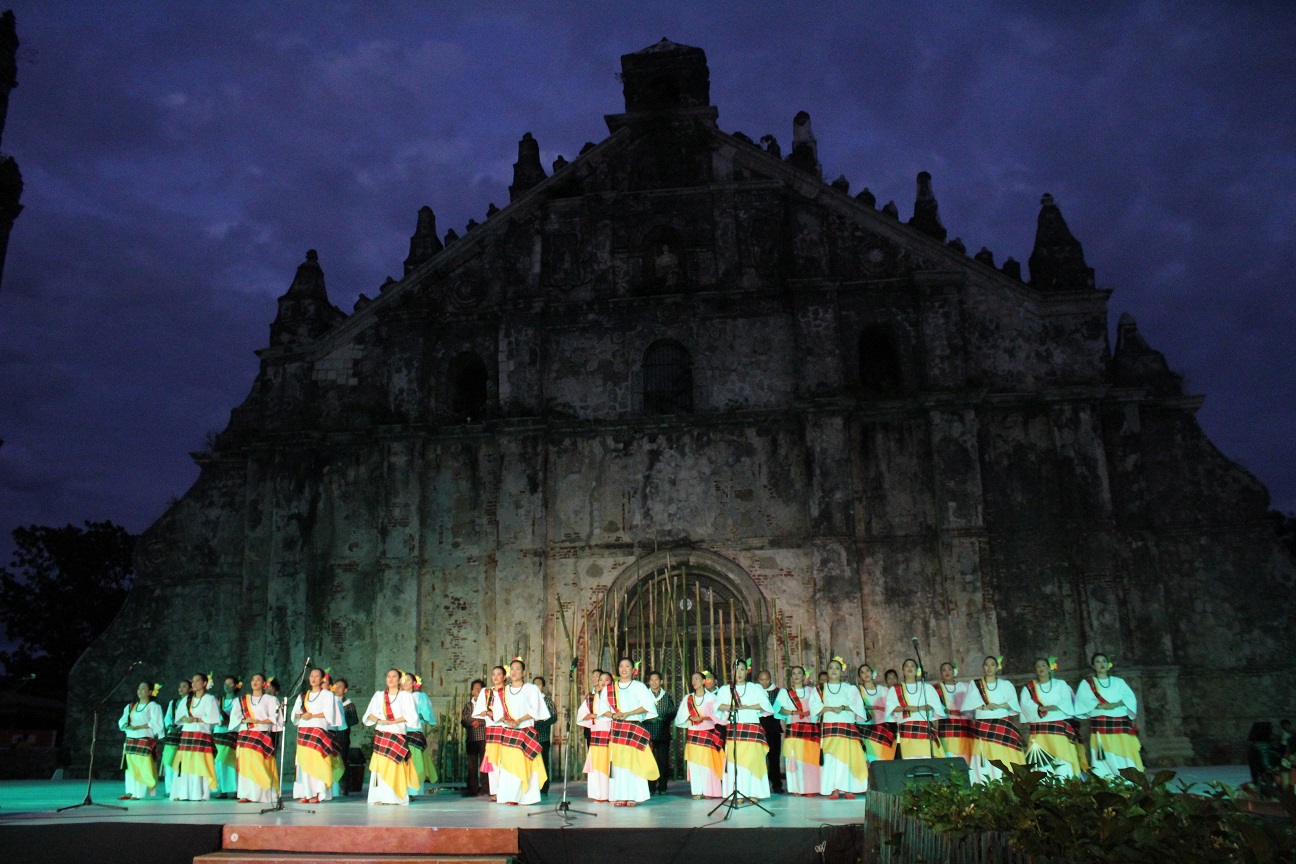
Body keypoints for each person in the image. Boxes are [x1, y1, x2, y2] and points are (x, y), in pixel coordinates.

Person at [598, 658, 659, 806]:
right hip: (618, 729)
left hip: (633, 728)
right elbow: (602, 709)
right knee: (619, 765)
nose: (623, 668)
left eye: (627, 666)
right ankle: (621, 796)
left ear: (633, 670)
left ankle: (634, 796)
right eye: (621, 666)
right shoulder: (610, 688)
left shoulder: (639, 686)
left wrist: (629, 713)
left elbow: (647, 706)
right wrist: (614, 715)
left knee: (634, 763)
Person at [1073, 652, 1143, 779]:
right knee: (1103, 754)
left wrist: (1115, 704)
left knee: (1124, 751)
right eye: (1098, 662)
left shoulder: (1119, 682)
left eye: (1104, 661)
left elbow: (1130, 698)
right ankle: (1105, 779)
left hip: (1120, 724)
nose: (1101, 664)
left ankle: (1129, 780)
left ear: (1108, 664)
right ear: (1093, 666)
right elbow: (1082, 702)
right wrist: (1098, 706)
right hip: (1101, 724)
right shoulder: (1087, 684)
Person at [491, 658, 550, 805]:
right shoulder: (503, 691)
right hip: (509, 732)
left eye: (518, 669)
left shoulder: (531, 689)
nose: (514, 672)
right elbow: (497, 712)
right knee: (509, 766)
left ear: (523, 672)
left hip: (525, 732)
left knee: (524, 764)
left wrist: (519, 720)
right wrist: (507, 722)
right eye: (512, 669)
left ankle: (526, 797)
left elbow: (536, 709)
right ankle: (511, 796)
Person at [713, 658, 774, 800]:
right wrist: (733, 707)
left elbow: (764, 705)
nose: (738, 673)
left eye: (741, 669)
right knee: (736, 763)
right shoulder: (725, 689)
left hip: (752, 728)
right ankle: (739, 793)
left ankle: (754, 793)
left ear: (747, 671)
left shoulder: (755, 688)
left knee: (753, 761)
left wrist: (747, 707)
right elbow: (718, 706)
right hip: (734, 729)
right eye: (735, 670)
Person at [1019, 658, 1086, 779]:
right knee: (1041, 758)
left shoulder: (1060, 684)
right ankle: (1044, 783)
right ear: (1035, 670)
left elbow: (1066, 700)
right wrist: (1039, 708)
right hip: (1040, 729)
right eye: (1038, 666)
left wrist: (1056, 707)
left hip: (1059, 728)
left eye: (1044, 665)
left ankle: (1065, 780)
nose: (1041, 668)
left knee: (1062, 757)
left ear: (1049, 668)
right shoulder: (1029, 688)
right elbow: (1025, 704)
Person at [962, 656, 1025, 784]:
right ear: (983, 668)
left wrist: (998, 706)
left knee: (1004, 753)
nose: (989, 668)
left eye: (992, 665)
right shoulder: (975, 684)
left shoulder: (1006, 685)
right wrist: (984, 707)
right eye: (986, 665)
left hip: (1002, 724)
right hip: (983, 725)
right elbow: (968, 705)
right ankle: (983, 782)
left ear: (997, 668)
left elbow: (1013, 703)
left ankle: (1008, 780)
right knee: (984, 754)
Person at [363, 668, 419, 805]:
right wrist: (380, 721)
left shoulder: (405, 696)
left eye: (394, 676)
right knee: (380, 767)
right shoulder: (379, 695)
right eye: (388, 676)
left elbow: (411, 716)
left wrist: (391, 721)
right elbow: (369, 714)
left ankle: (394, 797)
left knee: (394, 766)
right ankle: (379, 797)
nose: (391, 679)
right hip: (382, 733)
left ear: (400, 680)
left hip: (396, 734)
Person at [291, 667, 343, 803]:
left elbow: (328, 713)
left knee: (318, 762)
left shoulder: (327, 695)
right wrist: (302, 716)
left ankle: (318, 793)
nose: (313, 678)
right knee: (304, 763)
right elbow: (295, 714)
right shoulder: (303, 696)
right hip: (304, 731)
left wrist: (311, 716)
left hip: (318, 731)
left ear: (322, 679)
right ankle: (306, 793)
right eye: (311, 676)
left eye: (317, 676)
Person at [818, 658, 868, 799]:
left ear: (841, 672)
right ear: (827, 671)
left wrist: (843, 708)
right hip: (829, 728)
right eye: (831, 668)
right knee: (832, 759)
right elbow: (815, 707)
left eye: (837, 668)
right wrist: (830, 708)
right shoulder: (821, 689)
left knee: (848, 757)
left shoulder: (849, 688)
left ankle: (848, 788)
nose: (834, 671)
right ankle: (834, 789)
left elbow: (858, 706)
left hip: (846, 726)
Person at [228, 672, 280, 804]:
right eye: (253, 679)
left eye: (258, 680)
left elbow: (275, 718)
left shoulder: (270, 699)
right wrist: (245, 720)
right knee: (246, 765)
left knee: (260, 765)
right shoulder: (241, 700)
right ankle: (246, 794)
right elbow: (235, 718)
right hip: (246, 735)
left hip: (261, 735)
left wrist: (258, 721)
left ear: (264, 684)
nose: (255, 682)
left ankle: (264, 793)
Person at [170, 672, 222, 801]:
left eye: (197, 681)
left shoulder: (209, 699)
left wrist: (195, 719)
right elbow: (179, 717)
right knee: (185, 763)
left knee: (199, 764)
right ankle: (183, 793)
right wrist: (185, 719)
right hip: (187, 734)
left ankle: (198, 793)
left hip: (201, 735)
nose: (194, 683)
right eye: (193, 681)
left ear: (204, 683)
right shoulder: (187, 699)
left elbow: (213, 717)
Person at [674, 671, 724, 799]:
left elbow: (720, 716)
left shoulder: (712, 698)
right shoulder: (688, 698)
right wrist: (690, 717)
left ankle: (709, 791)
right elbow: (680, 717)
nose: (694, 681)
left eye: (697, 679)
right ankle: (697, 791)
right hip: (694, 733)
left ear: (703, 681)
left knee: (707, 764)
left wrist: (704, 718)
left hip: (707, 733)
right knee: (694, 763)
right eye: (693, 679)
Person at [774, 665, 822, 796]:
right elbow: (778, 709)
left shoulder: (811, 691)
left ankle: (810, 788)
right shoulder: (785, 692)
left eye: (799, 673)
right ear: (791, 677)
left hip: (811, 728)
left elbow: (819, 706)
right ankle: (797, 788)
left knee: (810, 759)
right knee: (796, 760)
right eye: (794, 673)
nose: (796, 676)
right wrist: (794, 712)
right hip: (794, 728)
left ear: (804, 676)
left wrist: (810, 712)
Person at [884, 659, 946, 759]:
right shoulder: (895, 689)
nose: (909, 668)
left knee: (927, 757)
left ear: (917, 670)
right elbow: (891, 707)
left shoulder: (926, 687)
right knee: (910, 758)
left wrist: (920, 708)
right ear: (903, 671)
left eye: (912, 666)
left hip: (924, 726)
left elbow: (934, 704)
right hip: (906, 728)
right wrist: (905, 708)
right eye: (906, 666)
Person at [117, 681, 164, 800]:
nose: (140, 691)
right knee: (130, 766)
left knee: (142, 766)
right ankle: (130, 791)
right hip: (131, 738)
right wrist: (126, 725)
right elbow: (123, 720)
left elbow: (156, 723)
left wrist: (139, 727)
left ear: (150, 692)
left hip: (144, 738)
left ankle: (139, 793)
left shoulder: (153, 706)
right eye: (139, 688)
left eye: (143, 688)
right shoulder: (131, 706)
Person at [577, 670, 613, 802]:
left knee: (611, 765)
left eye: (606, 680)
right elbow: (581, 715)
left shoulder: (615, 698)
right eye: (600, 679)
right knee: (597, 765)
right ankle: (599, 794)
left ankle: (612, 794)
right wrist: (595, 715)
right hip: (596, 734)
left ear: (611, 682)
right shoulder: (591, 698)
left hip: (611, 734)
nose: (603, 682)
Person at [400, 672, 437, 797]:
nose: (405, 682)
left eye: (408, 680)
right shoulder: (398, 696)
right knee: (401, 761)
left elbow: (426, 714)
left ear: (414, 683)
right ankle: (401, 790)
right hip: (400, 731)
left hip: (414, 730)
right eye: (403, 680)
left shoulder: (420, 696)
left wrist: (418, 718)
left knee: (414, 761)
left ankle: (413, 791)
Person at [473, 666, 508, 797]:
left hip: (506, 728)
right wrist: (488, 712)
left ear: (504, 677)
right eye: (493, 674)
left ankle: (506, 791)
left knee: (506, 761)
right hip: (492, 729)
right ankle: (495, 791)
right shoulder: (486, 692)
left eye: (499, 674)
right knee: (493, 761)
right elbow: (478, 711)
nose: (495, 677)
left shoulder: (509, 692)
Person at [643, 671, 677, 795]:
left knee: (663, 761)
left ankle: (662, 787)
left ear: (661, 681)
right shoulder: (644, 696)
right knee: (649, 761)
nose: (654, 682)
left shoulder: (667, 696)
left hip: (663, 733)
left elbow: (672, 711)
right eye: (651, 680)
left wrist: (662, 718)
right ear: (648, 682)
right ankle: (650, 787)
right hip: (648, 733)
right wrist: (649, 719)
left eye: (656, 679)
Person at [936, 662, 975, 764]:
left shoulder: (965, 686)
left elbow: (973, 705)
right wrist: (948, 711)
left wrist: (963, 711)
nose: (947, 672)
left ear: (954, 672)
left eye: (949, 669)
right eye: (943, 670)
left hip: (964, 727)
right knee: (950, 757)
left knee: (965, 757)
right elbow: (935, 708)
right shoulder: (936, 689)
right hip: (947, 727)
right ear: (940, 674)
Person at [857, 664, 897, 761]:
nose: (865, 673)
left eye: (867, 670)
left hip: (885, 730)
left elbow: (891, 708)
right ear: (860, 677)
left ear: (872, 673)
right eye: (862, 672)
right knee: (872, 760)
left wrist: (875, 708)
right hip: (867, 731)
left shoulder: (883, 690)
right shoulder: (857, 691)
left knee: (886, 760)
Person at [329, 677, 360, 796]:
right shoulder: (330, 702)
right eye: (335, 686)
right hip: (331, 734)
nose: (337, 688)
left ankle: (343, 786)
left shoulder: (348, 705)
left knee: (341, 759)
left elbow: (354, 720)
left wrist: (342, 721)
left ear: (345, 690)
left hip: (342, 735)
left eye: (340, 686)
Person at [211, 676, 240, 799]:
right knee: (219, 763)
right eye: (225, 684)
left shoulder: (238, 701)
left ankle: (235, 790)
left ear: (236, 686)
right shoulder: (218, 700)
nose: (227, 686)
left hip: (231, 733)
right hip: (218, 734)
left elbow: (239, 717)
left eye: (230, 683)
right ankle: (223, 790)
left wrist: (228, 722)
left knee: (227, 761)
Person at [160, 679, 190, 795]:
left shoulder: (191, 702)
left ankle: (181, 790)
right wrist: (169, 726)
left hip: (184, 733)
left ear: (190, 689)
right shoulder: (173, 702)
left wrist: (181, 727)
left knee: (182, 762)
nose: (181, 689)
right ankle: (170, 789)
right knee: (169, 761)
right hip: (172, 734)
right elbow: (167, 717)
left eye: (184, 686)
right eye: (180, 686)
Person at [757, 669, 784, 793]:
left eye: (766, 679)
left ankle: (776, 785)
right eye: (761, 680)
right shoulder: (754, 691)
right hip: (758, 725)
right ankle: (760, 786)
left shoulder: (778, 692)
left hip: (773, 726)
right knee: (759, 757)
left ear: (770, 679)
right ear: (758, 680)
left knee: (774, 757)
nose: (764, 682)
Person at [460, 679, 487, 797]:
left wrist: (480, 722)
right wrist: (471, 723)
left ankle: (486, 789)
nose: (477, 690)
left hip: (484, 737)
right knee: (472, 765)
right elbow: (464, 719)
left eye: (479, 688)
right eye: (475, 688)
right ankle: (472, 789)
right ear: (472, 691)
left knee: (485, 764)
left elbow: (490, 718)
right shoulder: (468, 705)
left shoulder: (487, 704)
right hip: (471, 738)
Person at [532, 676, 557, 795]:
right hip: (530, 738)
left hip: (543, 737)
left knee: (543, 763)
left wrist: (540, 722)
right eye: (535, 685)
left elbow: (553, 717)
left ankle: (543, 788)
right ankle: (532, 787)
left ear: (543, 687)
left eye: (539, 684)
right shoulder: (529, 701)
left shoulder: (548, 702)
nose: (537, 687)